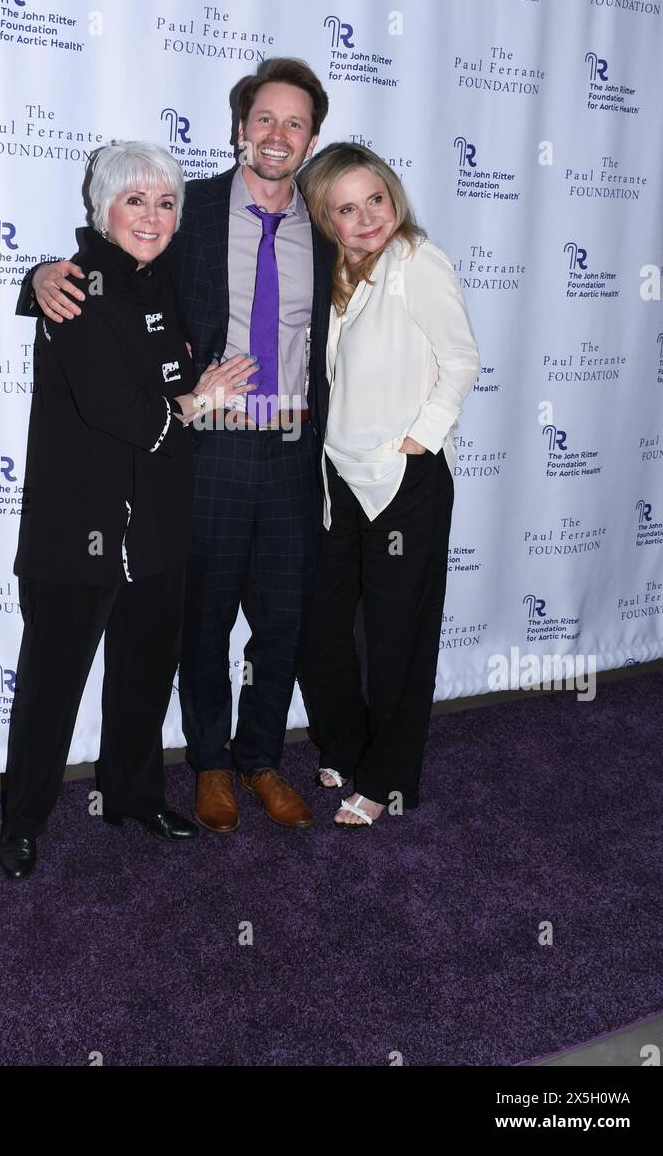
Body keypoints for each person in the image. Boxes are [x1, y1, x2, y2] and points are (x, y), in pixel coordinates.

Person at [20, 59, 335, 833]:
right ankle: (211, 766)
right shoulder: (190, 211)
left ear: (312, 138)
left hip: (294, 446)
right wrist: (38, 277)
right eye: (264, 118)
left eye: (294, 123)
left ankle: (263, 759)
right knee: (201, 623)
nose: (277, 135)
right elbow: (117, 261)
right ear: (239, 128)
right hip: (208, 446)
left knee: (283, 618)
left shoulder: (326, 229)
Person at [0, 141, 256, 879]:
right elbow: (115, 408)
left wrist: (205, 394)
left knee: (145, 676)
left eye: (166, 201)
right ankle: (21, 823)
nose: (152, 214)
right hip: (77, 525)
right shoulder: (73, 286)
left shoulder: (175, 283)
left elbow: (181, 390)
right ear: (101, 208)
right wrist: (194, 402)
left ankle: (132, 798)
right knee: (51, 688)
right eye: (134, 200)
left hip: (161, 523)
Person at [295, 143, 481, 827]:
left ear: (393, 195)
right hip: (338, 479)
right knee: (321, 627)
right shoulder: (335, 273)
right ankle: (346, 744)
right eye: (346, 208)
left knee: (399, 638)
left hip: (404, 478)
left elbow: (461, 359)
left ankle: (390, 778)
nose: (367, 216)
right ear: (326, 219)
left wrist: (417, 441)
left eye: (375, 198)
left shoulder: (413, 260)